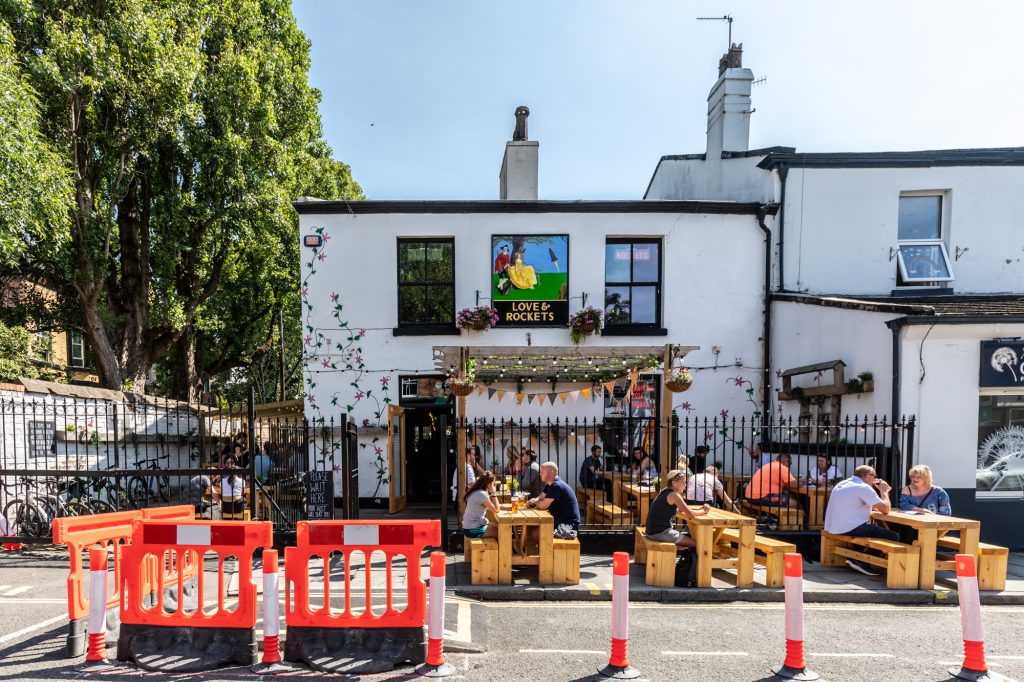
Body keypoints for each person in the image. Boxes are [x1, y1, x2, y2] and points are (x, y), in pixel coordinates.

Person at [823, 465, 898, 576]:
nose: (875, 479)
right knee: (893, 536)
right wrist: (884, 491)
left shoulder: (843, 483)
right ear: (867, 476)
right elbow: (886, 509)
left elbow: (862, 504)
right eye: (874, 476)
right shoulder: (863, 487)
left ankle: (856, 558)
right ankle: (863, 562)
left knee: (871, 531)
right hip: (849, 527)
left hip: (834, 527)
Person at [645, 469, 711, 548]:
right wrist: (704, 511)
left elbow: (682, 509)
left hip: (652, 532)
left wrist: (699, 509)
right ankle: (693, 560)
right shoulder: (674, 495)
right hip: (660, 533)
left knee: (692, 540)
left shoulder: (665, 491)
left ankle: (689, 559)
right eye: (683, 482)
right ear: (674, 483)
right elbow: (690, 514)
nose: (685, 485)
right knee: (696, 544)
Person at [527, 462, 581, 540]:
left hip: (568, 525)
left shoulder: (556, 486)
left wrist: (535, 503)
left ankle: (546, 551)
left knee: (535, 533)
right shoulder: (550, 485)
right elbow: (540, 498)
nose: (540, 474)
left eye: (542, 472)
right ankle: (539, 550)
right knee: (530, 526)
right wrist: (533, 501)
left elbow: (543, 506)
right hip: (559, 520)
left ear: (551, 472)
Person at [462, 471, 500, 539]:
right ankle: (504, 549)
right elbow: (496, 509)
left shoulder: (477, 491)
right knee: (501, 533)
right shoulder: (482, 494)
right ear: (489, 485)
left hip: (470, 526)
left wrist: (508, 508)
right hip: (471, 530)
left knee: (498, 526)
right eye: (493, 484)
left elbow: (492, 506)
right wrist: (494, 493)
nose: (494, 486)